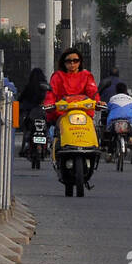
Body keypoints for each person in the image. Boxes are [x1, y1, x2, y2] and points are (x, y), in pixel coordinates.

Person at [45, 48, 100, 188]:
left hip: (83, 113)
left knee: (95, 130)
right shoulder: (57, 77)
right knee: (57, 134)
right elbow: (51, 93)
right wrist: (49, 105)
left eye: (75, 61)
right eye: (69, 61)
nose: (72, 64)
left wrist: (98, 102)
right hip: (63, 114)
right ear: (63, 63)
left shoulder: (87, 76)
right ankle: (57, 153)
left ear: (80, 62)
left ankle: (93, 148)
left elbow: (93, 92)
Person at [17, 67, 48, 157]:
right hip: (41, 112)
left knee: (27, 130)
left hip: (30, 112)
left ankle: (24, 148)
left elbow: (22, 97)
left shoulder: (29, 86)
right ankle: (46, 146)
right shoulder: (44, 86)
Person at [103, 81, 132, 149]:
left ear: (116, 90)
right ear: (126, 90)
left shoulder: (112, 98)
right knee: (131, 129)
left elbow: (108, 108)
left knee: (112, 135)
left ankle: (110, 153)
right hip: (128, 120)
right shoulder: (130, 99)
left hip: (114, 120)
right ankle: (130, 139)